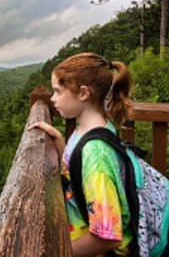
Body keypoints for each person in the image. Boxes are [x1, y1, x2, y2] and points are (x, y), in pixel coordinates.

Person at [29, 52, 135, 257]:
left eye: (58, 91)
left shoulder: (96, 155)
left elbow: (108, 237)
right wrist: (59, 140)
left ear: (84, 93)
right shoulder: (92, 128)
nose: (52, 99)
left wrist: (57, 252)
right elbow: (77, 171)